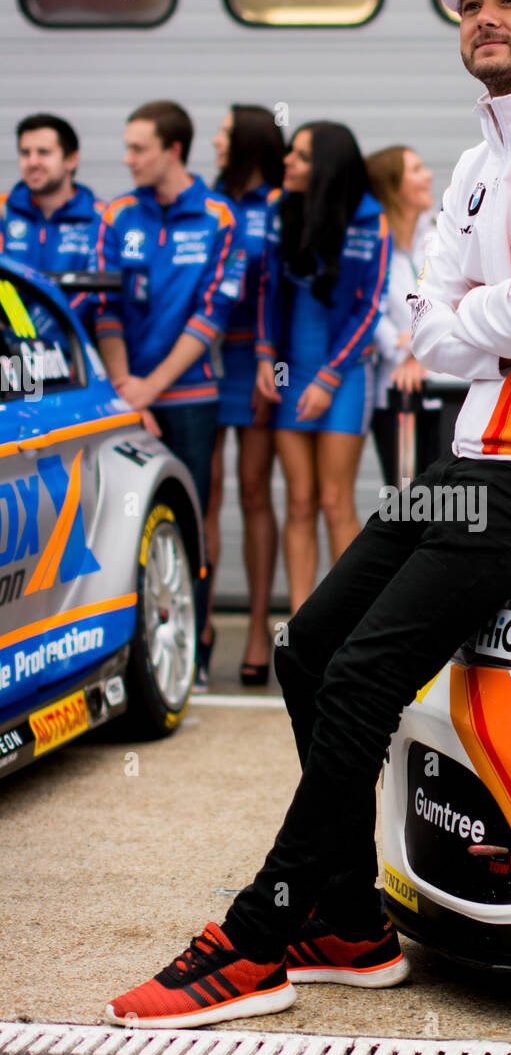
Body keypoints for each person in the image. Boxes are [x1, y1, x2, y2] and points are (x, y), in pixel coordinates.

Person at [106, 0, 511, 1029]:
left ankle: (264, 927)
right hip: (475, 462)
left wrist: (458, 317)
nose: (485, 19)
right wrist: (461, 318)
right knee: (309, 644)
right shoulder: (471, 164)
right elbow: (428, 316)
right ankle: (352, 924)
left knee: (364, 674)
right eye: (469, 5)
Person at [93, 100, 245, 656]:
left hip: (189, 399)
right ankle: (124, 647)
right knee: (120, 519)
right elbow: (104, 308)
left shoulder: (219, 218)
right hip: (121, 396)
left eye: (139, 148)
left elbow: (211, 317)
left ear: (173, 150)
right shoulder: (116, 215)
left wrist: (149, 390)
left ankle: (192, 644)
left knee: (192, 516)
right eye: (128, 147)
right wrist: (125, 390)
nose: (128, 159)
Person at [255, 122, 391, 612]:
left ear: (327, 167)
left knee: (335, 502)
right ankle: (299, 624)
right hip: (291, 375)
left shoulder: (369, 220)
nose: (288, 161)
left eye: (301, 156)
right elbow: (269, 291)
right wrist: (265, 357)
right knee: (298, 502)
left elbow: (370, 306)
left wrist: (330, 376)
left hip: (345, 375)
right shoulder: (279, 209)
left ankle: (346, 626)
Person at [196, 106, 285, 690]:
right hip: (202, 357)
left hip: (258, 364)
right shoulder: (204, 200)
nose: (215, 142)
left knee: (254, 491)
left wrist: (267, 361)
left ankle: (257, 627)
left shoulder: (278, 203)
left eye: (225, 134)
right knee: (205, 491)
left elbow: (278, 286)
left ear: (249, 143)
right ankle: (199, 626)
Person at [365, 144, 436, 484]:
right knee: (408, 504)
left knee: (457, 507)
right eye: (417, 169)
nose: (429, 176)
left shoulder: (441, 236)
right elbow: (366, 307)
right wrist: (400, 344)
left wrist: (422, 343)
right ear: (393, 187)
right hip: (394, 394)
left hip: (447, 390)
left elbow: (460, 300)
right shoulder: (371, 246)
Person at [0, 113, 104, 323]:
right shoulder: (3, 211)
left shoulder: (100, 217)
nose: (33, 162)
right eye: (25, 153)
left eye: (44, 153)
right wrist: (23, 326)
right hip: (14, 346)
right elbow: (2, 284)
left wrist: (57, 324)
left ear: (71, 159)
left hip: (78, 344)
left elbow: (101, 294)